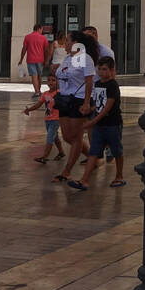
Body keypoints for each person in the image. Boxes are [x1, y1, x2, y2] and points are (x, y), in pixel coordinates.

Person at [68, 57, 125, 190]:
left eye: (104, 69)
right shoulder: (98, 83)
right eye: (99, 69)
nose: (101, 72)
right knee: (94, 151)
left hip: (112, 124)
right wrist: (89, 108)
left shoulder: (112, 85)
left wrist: (92, 122)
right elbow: (99, 104)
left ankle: (119, 176)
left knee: (117, 151)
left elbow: (107, 108)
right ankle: (84, 180)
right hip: (100, 125)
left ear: (111, 70)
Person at [50, 34, 100, 184]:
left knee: (76, 136)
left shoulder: (86, 59)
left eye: (67, 41)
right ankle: (94, 157)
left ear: (76, 43)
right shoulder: (67, 59)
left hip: (78, 99)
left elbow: (89, 81)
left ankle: (67, 171)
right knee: (67, 136)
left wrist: (86, 102)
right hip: (64, 99)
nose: (64, 44)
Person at [25, 72, 64, 163]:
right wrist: (29, 109)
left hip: (56, 119)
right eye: (49, 80)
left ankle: (44, 157)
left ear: (58, 82)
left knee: (50, 137)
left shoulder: (59, 93)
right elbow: (38, 104)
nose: (51, 82)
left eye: (53, 80)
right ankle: (61, 152)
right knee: (55, 137)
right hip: (47, 119)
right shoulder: (45, 94)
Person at [19, 22, 49, 95]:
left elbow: (24, 49)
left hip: (30, 59)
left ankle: (37, 92)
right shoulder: (43, 38)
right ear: (39, 29)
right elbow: (46, 50)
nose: (42, 31)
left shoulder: (27, 37)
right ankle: (39, 90)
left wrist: (21, 59)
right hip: (40, 59)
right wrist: (46, 60)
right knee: (39, 76)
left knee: (34, 76)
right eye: (42, 29)